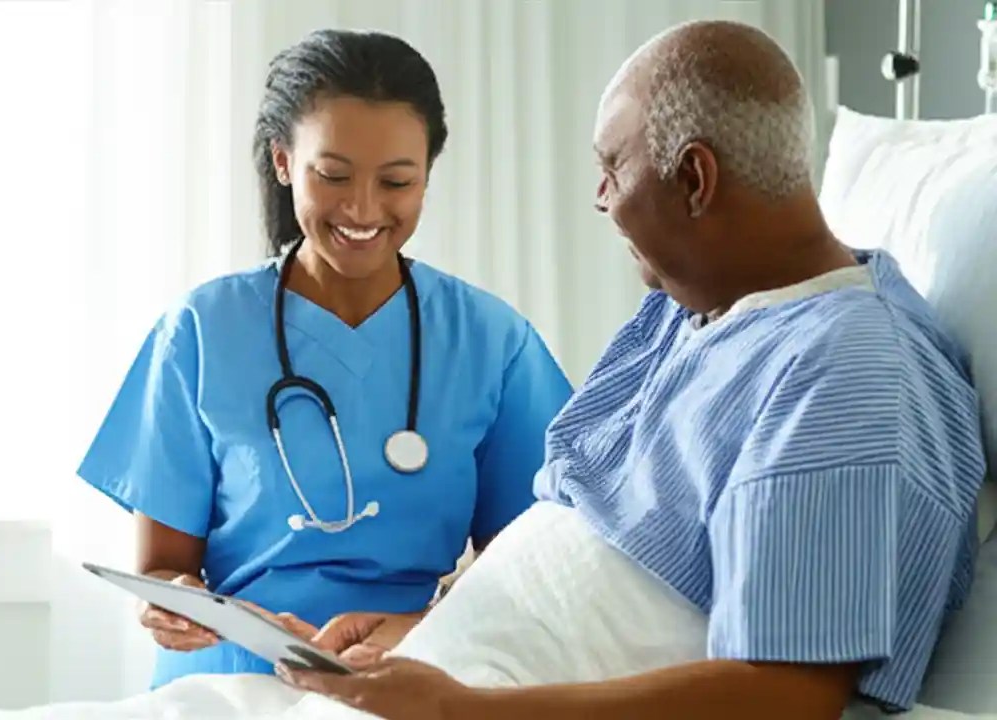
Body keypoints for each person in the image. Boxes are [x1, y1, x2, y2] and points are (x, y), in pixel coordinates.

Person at [279, 20, 988, 720]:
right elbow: (572, 531)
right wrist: (425, 632)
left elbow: (784, 694)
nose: (601, 197)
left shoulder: (849, 369)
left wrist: (457, 710)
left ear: (694, 179)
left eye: (612, 167)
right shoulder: (691, 308)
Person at [76, 28, 572, 688]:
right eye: (332, 175)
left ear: (428, 174)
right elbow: (164, 568)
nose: (362, 209)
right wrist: (170, 608)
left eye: (397, 181)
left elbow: (533, 556)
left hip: (409, 678)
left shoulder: (491, 342)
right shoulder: (201, 331)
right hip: (228, 683)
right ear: (283, 162)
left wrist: (427, 621)